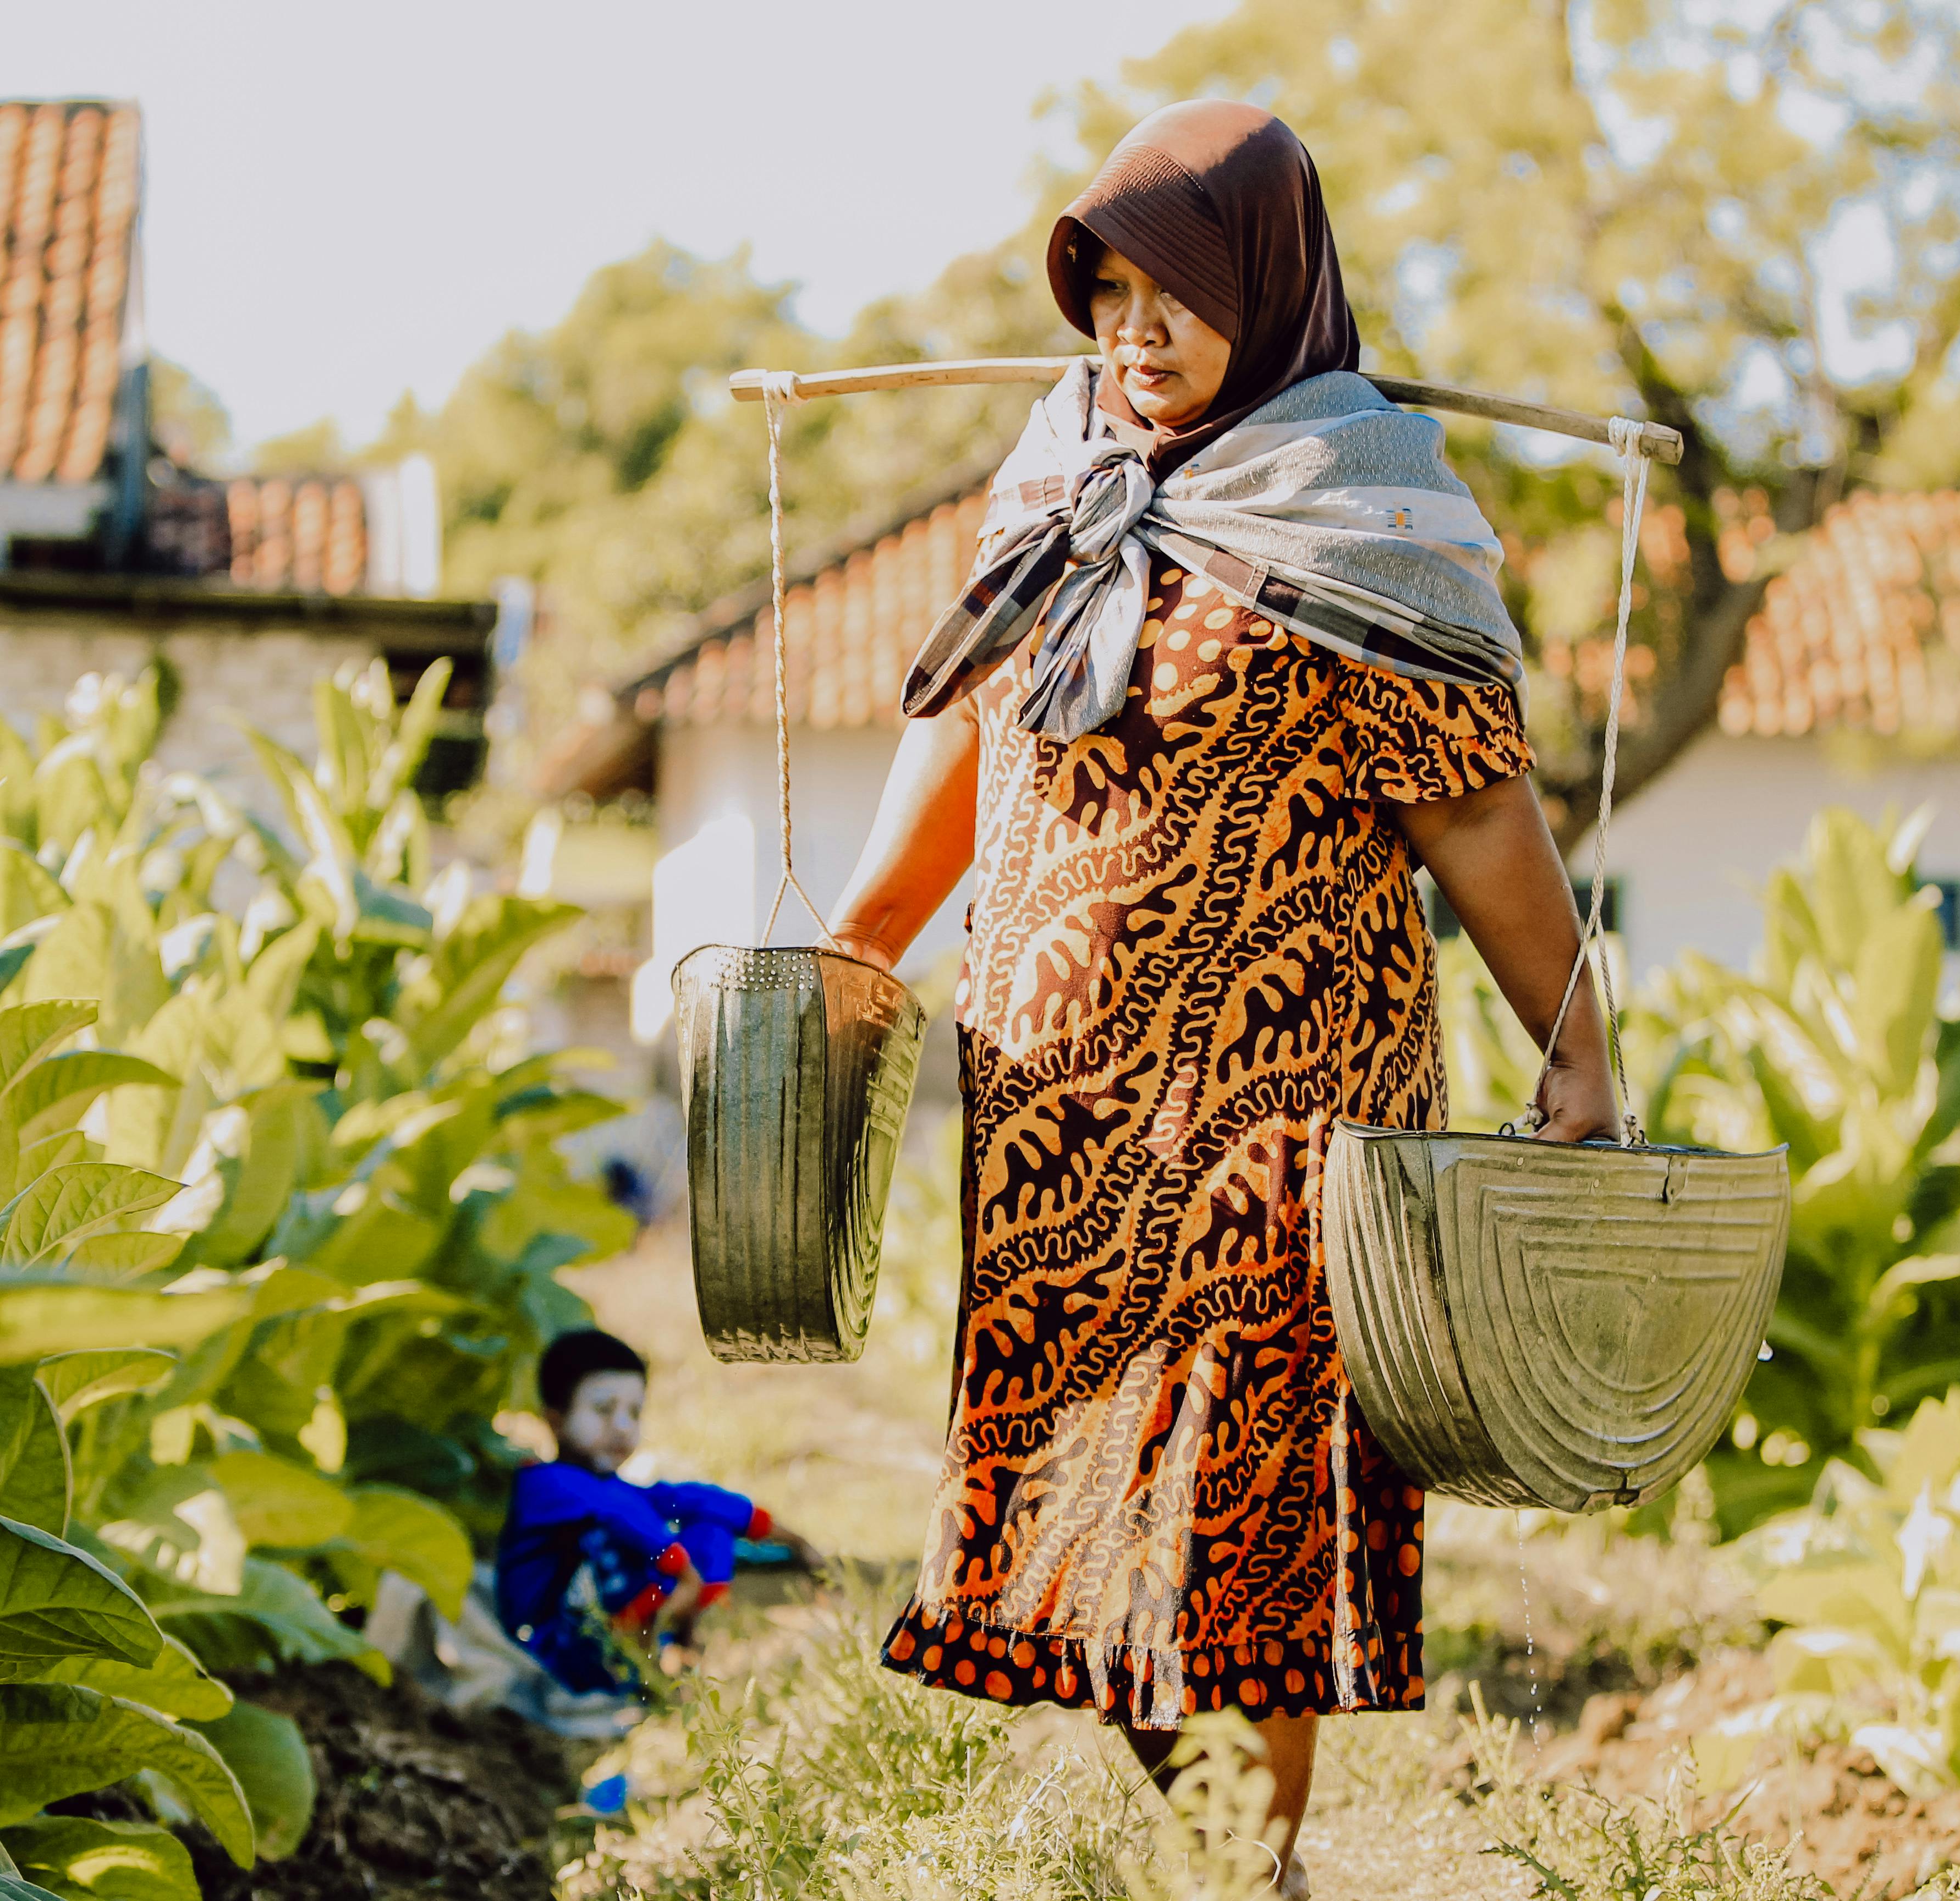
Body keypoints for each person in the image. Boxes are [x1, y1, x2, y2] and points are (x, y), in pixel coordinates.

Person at [822, 101, 1622, 1898]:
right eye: (1103, 293)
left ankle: (1249, 1865)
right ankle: (1186, 1825)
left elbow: (1482, 811)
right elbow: (964, 724)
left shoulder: (1366, 501)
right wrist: (868, 927)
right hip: (1058, 1105)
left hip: (1283, 1107)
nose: (1133, 332)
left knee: (1248, 1484)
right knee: (1091, 1485)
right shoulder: (1057, 476)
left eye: (1171, 292)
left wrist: (1570, 1036)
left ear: (1265, 286)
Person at [491, 1329, 819, 1697]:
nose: (622, 1427)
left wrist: (789, 1538)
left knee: (710, 1527)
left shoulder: (617, 1488)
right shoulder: (545, 1483)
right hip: (549, 1643)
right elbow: (617, 1513)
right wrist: (682, 1571)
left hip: (609, 1631)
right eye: (603, 1410)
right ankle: (646, 1665)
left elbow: (691, 1499)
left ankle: (684, 1647)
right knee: (632, 1542)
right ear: (555, 1420)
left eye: (634, 1412)